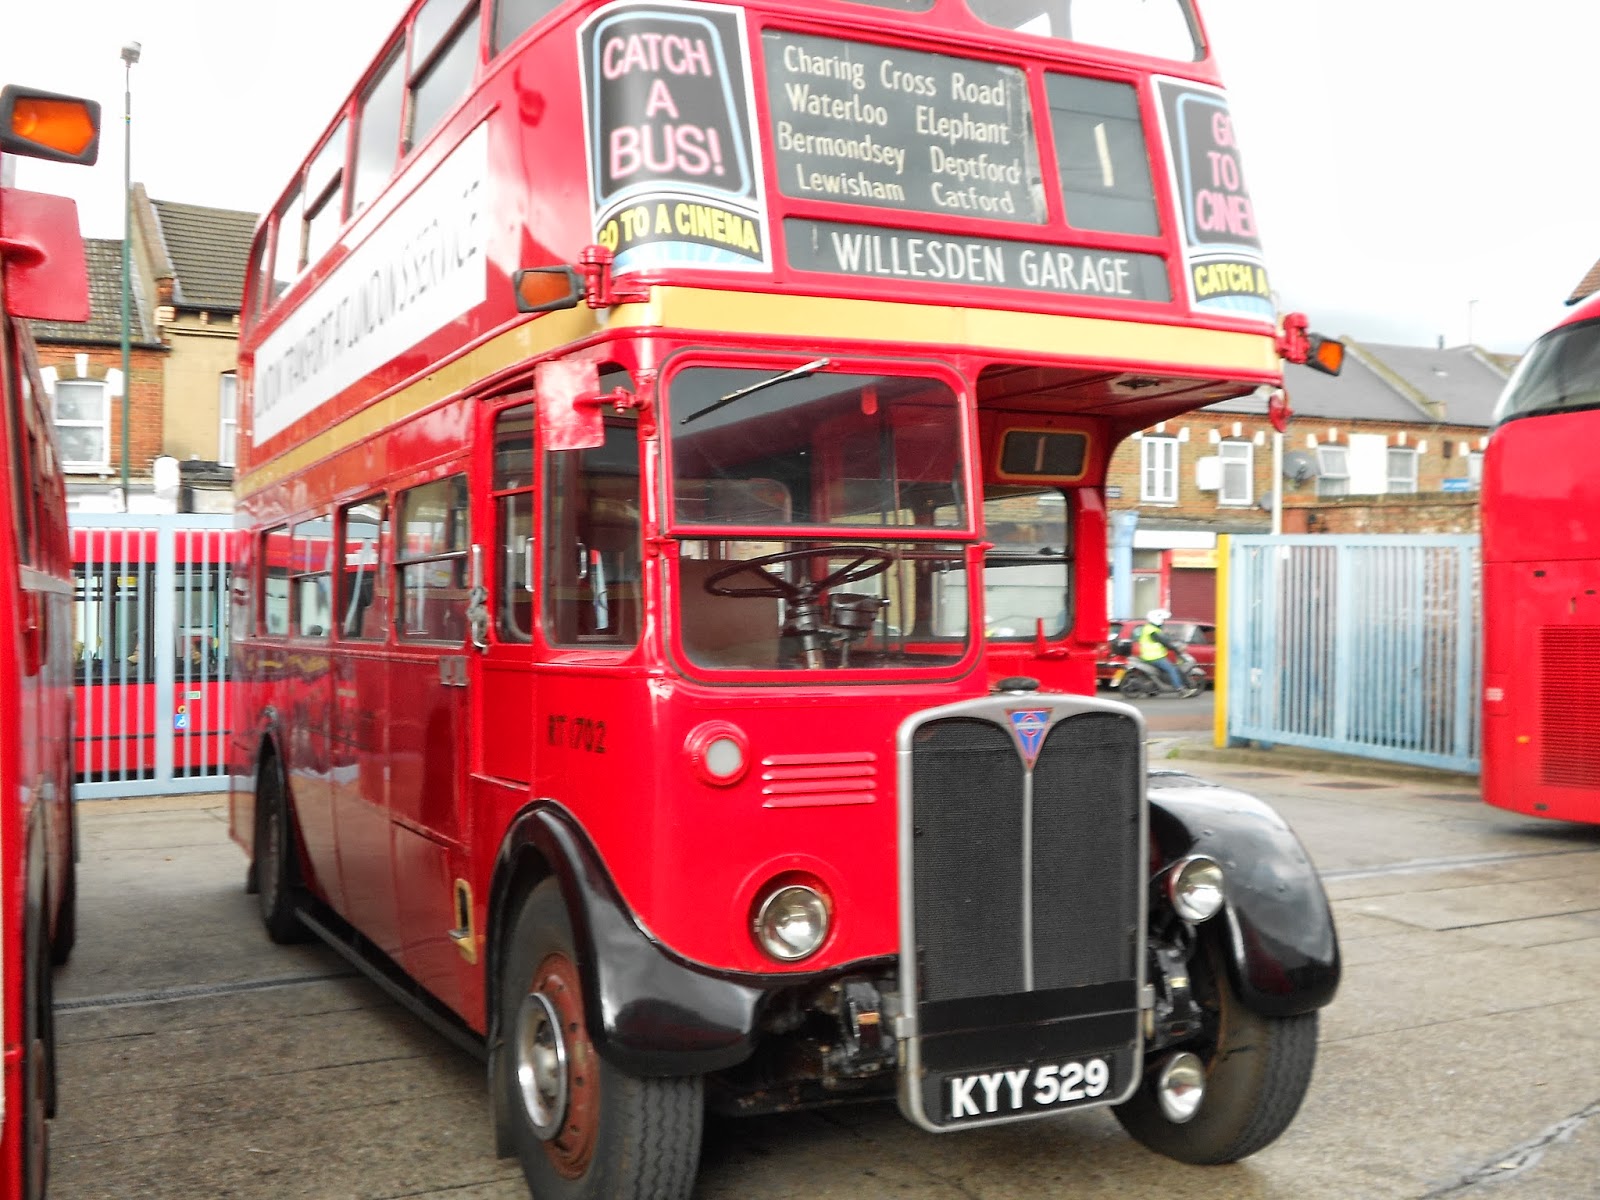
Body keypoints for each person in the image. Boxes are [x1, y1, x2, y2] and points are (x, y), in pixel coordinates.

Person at [1134, 608, 1188, 693]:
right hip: (1154, 657)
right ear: (1157, 619)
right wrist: (1174, 648)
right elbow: (1163, 641)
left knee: (1164, 670)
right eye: (1162, 620)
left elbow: (1164, 638)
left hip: (1149, 656)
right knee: (1172, 669)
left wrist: (1171, 639)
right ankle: (1180, 689)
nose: (1163, 622)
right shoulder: (1152, 630)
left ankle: (1155, 688)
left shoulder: (1149, 628)